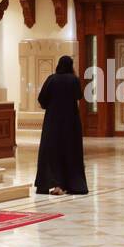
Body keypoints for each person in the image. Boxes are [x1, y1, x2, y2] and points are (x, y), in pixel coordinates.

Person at [34, 55, 88, 195]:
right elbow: (79, 96)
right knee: (70, 151)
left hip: (52, 121)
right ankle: (71, 185)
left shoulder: (52, 79)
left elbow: (42, 99)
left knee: (51, 151)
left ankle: (50, 183)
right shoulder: (74, 80)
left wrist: (50, 105)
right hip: (71, 122)